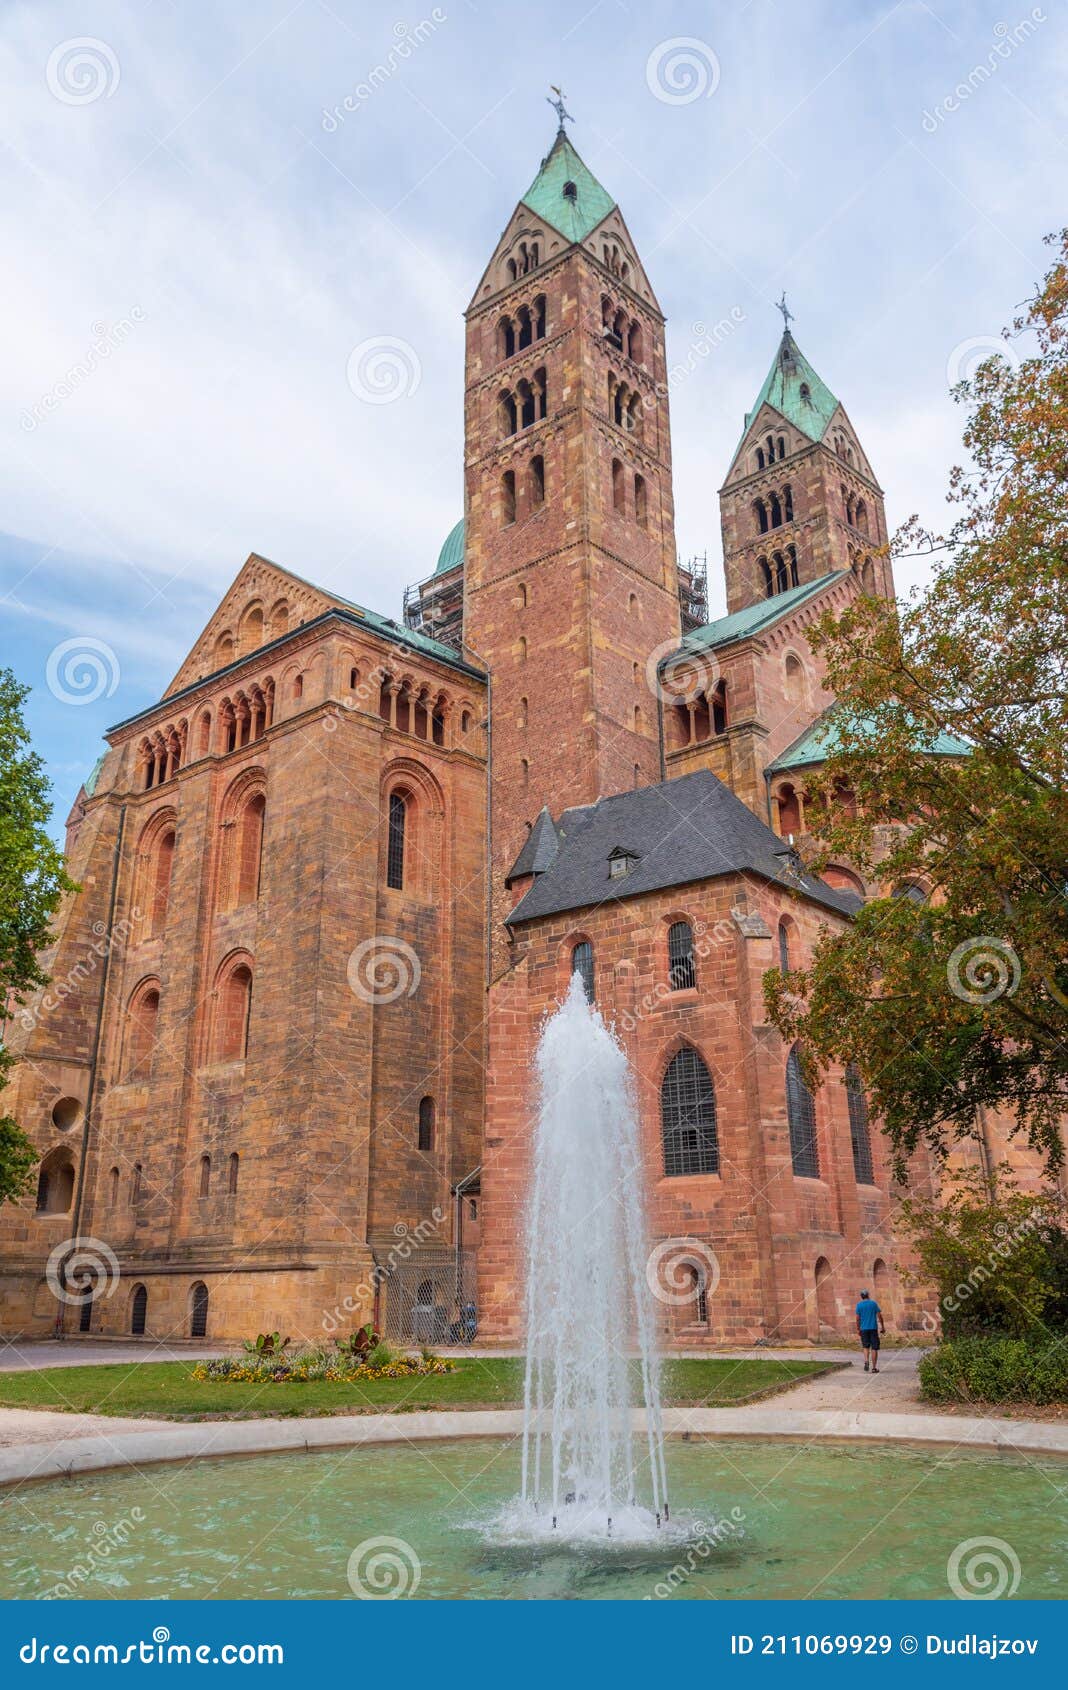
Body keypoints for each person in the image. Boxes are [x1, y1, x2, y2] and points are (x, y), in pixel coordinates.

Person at [855, 1289, 885, 1372]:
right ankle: (874, 1368)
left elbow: (857, 1319)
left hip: (864, 1329)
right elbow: (880, 1316)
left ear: (861, 1296)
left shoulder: (859, 1305)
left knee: (865, 1346)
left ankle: (866, 1361)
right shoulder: (873, 1304)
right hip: (873, 1328)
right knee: (874, 1348)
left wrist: (858, 1329)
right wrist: (882, 1327)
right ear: (868, 1295)